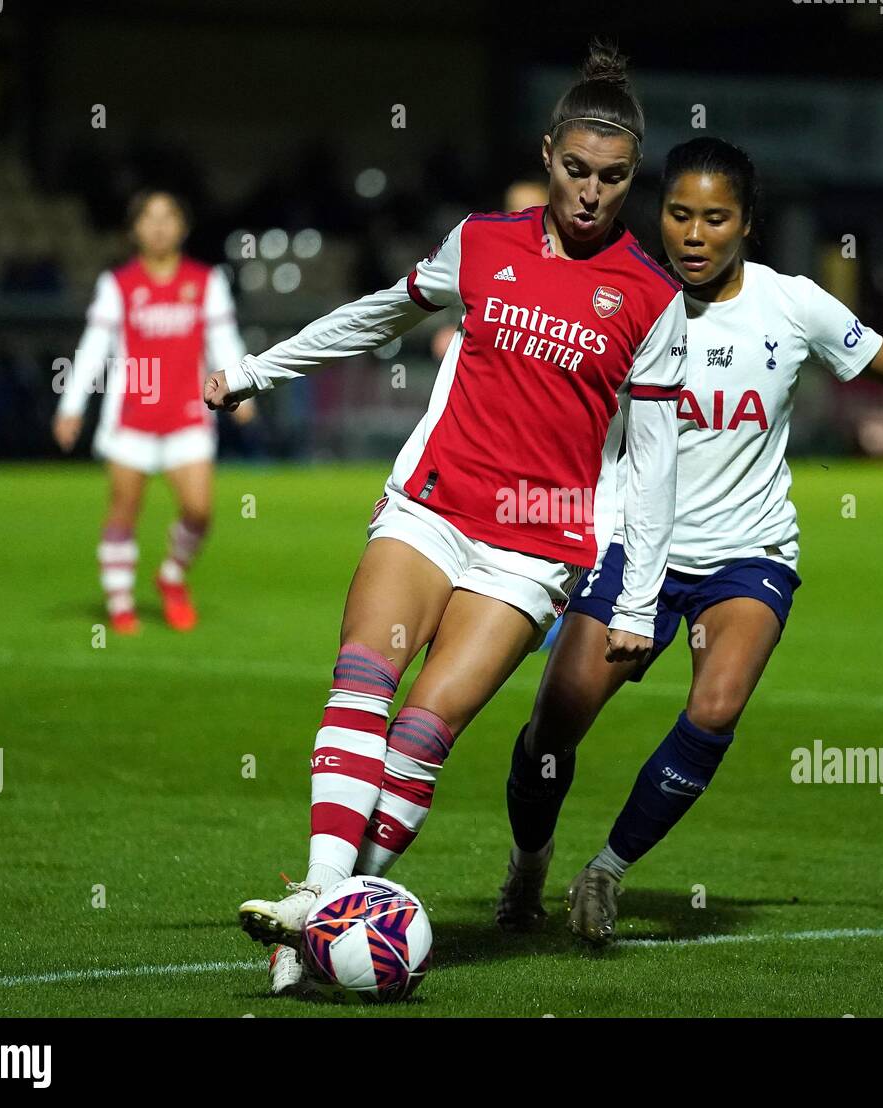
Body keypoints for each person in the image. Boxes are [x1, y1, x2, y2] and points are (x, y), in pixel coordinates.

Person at [204, 42, 688, 991]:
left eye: (614, 179)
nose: (591, 193)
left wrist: (637, 598)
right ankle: (321, 900)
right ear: (548, 154)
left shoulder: (652, 297)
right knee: (363, 676)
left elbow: (657, 461)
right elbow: (377, 314)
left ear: (635, 178)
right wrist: (262, 369)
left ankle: (323, 921)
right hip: (433, 505)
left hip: (536, 546)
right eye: (575, 170)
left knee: (426, 731)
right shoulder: (482, 243)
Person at [496, 137, 883, 944]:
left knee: (715, 707)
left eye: (715, 218)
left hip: (748, 554)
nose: (693, 234)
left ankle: (607, 872)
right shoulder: (624, 294)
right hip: (634, 552)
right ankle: (530, 862)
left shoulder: (793, 305)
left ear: (748, 225)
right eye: (680, 214)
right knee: (553, 728)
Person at [53, 190, 252, 634]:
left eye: (168, 217)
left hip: (187, 416)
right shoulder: (118, 284)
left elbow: (224, 339)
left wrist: (243, 388)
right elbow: (93, 348)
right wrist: (71, 405)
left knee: (199, 511)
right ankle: (120, 602)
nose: (159, 226)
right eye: (149, 217)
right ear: (134, 229)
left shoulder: (206, 281)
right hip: (131, 419)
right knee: (124, 510)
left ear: (183, 226)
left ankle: (172, 576)